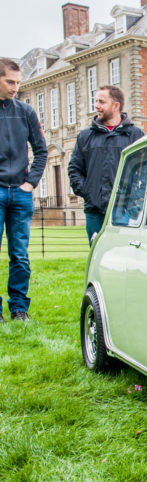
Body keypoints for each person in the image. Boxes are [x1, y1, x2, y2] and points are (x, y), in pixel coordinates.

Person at [0, 58, 48, 323]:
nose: (15, 87)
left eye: (18, 82)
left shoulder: (26, 112)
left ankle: (19, 308)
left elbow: (41, 150)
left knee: (20, 255)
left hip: (20, 193)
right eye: (10, 81)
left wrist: (31, 182)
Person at [68, 85, 143, 244]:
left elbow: (145, 171)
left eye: (101, 102)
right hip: (95, 212)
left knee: (123, 258)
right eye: (96, 101)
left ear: (116, 106)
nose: (97, 106)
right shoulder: (85, 136)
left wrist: (134, 203)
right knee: (97, 259)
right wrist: (88, 192)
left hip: (124, 212)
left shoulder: (135, 135)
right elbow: (74, 169)